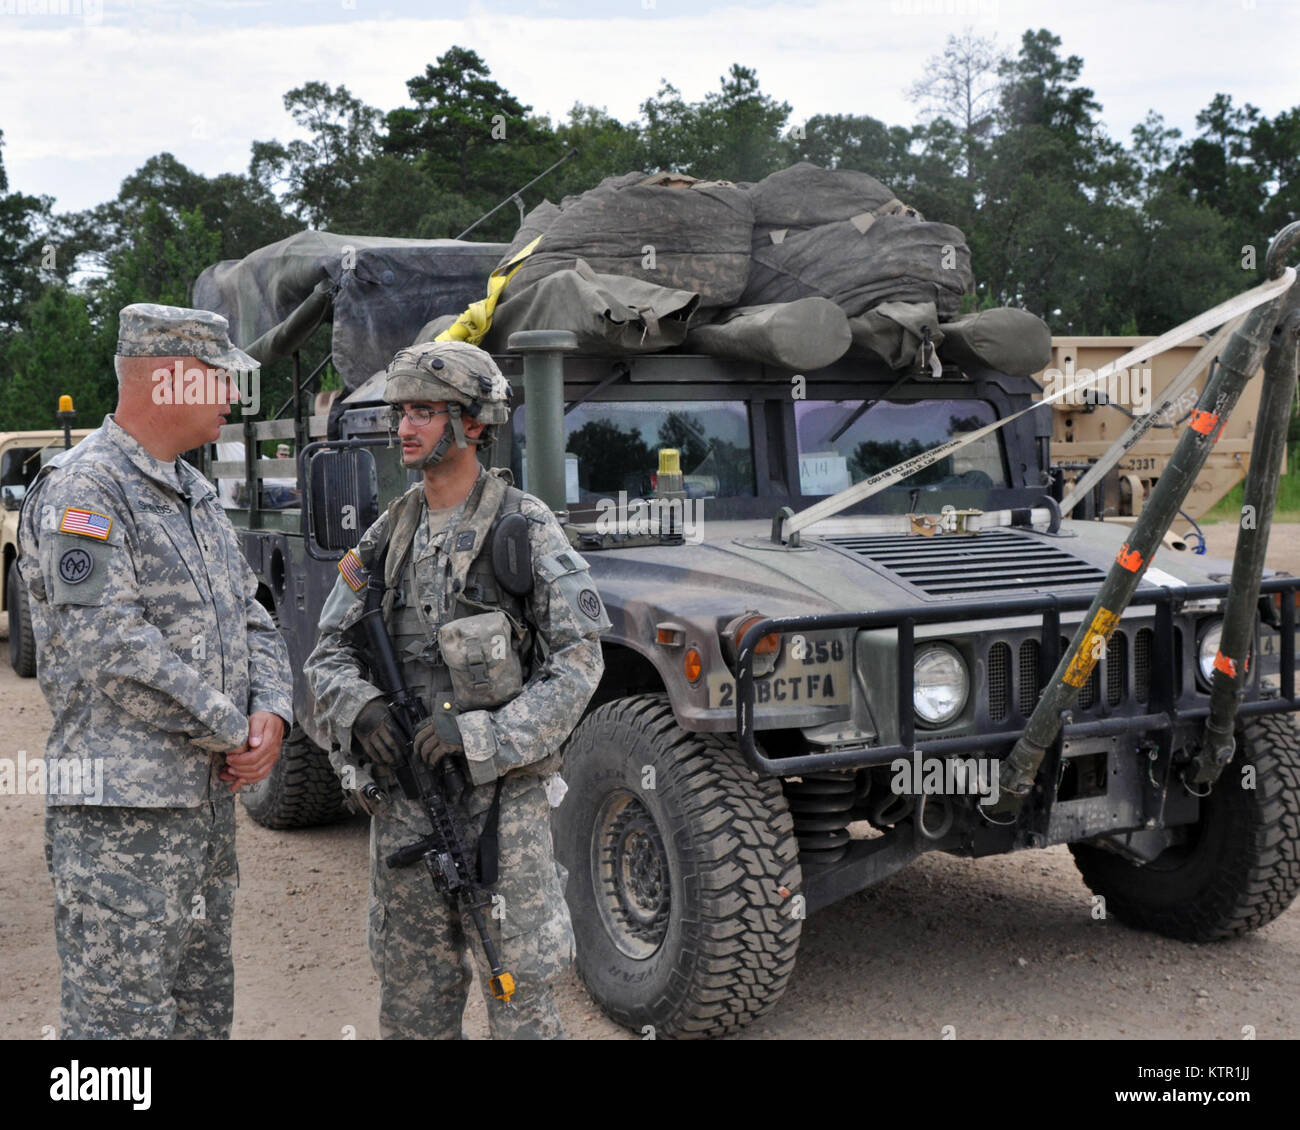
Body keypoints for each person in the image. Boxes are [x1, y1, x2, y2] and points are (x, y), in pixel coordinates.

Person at [304, 340, 608, 1039]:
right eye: (401, 411)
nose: (404, 427)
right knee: (414, 998)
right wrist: (361, 707)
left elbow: (579, 660)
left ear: (473, 422)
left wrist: (480, 739)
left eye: (424, 412)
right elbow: (326, 652)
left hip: (502, 807)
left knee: (521, 993)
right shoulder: (388, 536)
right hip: (407, 802)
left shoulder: (522, 528)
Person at [18, 302, 293, 1039]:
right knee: (119, 1032)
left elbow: (254, 615)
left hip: (201, 814)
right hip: (121, 823)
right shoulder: (86, 490)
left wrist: (273, 714)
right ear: (170, 379)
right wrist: (236, 729)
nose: (233, 397)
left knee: (201, 1015)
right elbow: (111, 645)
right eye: (220, 378)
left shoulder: (195, 493)